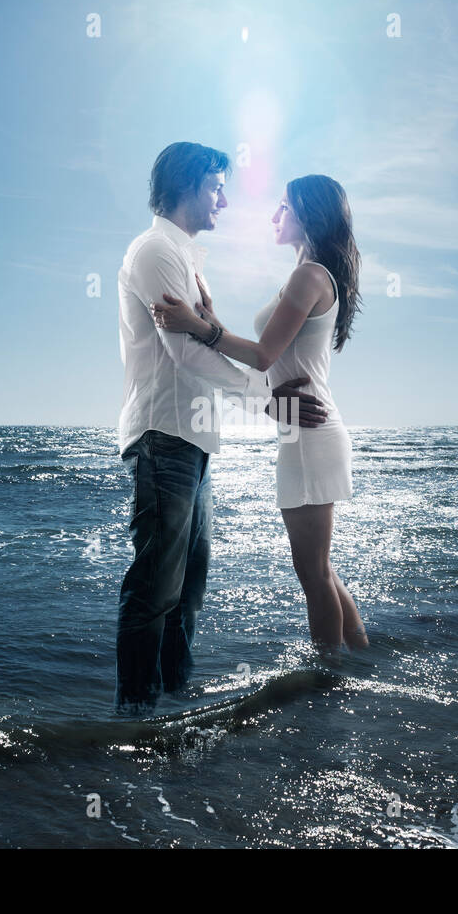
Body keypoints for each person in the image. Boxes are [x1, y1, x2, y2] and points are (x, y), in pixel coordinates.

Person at [115, 142, 327, 714]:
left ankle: (172, 704)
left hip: (192, 439)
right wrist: (267, 401)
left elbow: (204, 339)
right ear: (186, 186)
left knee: (187, 589)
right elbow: (185, 354)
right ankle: (136, 717)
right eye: (215, 187)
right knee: (157, 586)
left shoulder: (185, 255)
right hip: (164, 434)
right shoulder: (157, 250)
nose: (225, 200)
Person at [153, 174, 368, 657]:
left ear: (309, 213)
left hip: (310, 431)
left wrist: (196, 327)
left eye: (283, 207)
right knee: (322, 569)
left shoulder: (309, 276)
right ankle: (361, 659)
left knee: (313, 572)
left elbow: (264, 357)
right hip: (303, 427)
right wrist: (210, 322)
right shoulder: (308, 274)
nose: (274, 216)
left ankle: (329, 680)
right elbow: (268, 351)